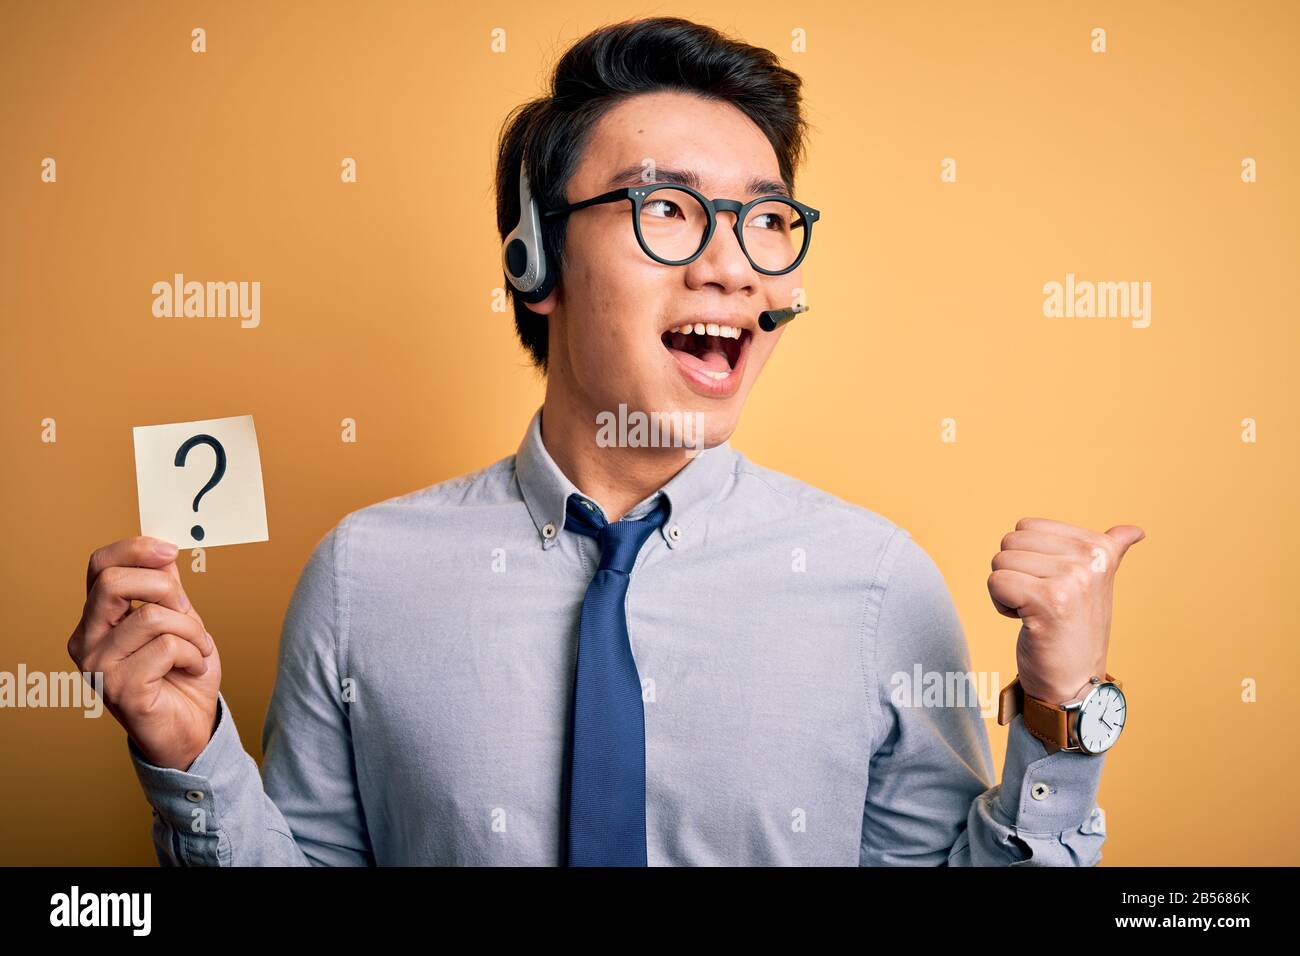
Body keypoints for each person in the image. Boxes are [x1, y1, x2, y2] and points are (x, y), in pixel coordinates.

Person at [67, 16, 1142, 866]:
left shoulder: (876, 584)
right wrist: (187, 756)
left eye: (766, 221)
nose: (731, 265)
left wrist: (1057, 715)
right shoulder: (361, 577)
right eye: (666, 208)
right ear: (536, 262)